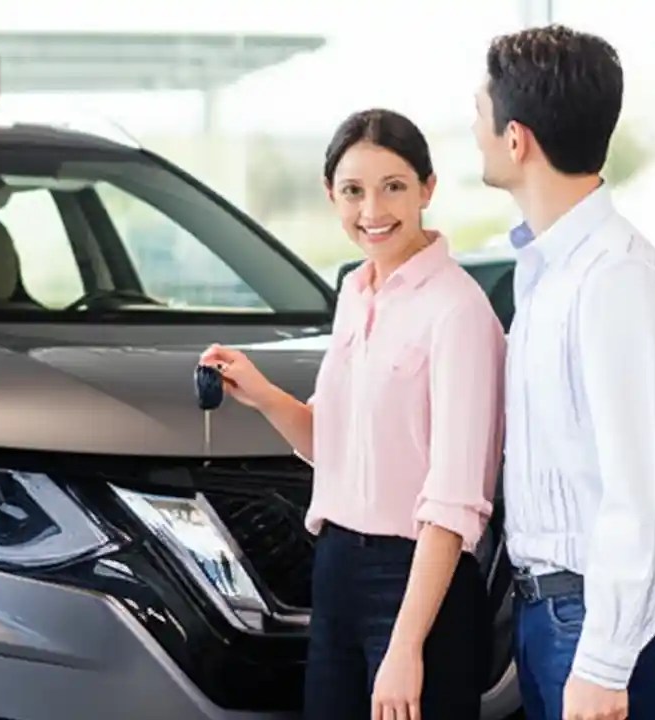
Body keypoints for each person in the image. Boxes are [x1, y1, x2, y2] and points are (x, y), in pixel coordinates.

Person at [200, 108, 506, 720]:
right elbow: (333, 446)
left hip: (418, 583)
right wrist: (261, 393)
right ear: (330, 195)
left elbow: (454, 502)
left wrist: (406, 645)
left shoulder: (458, 312)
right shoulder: (356, 293)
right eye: (353, 191)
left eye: (393, 187)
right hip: (336, 571)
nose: (373, 210)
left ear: (427, 189)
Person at [471, 24, 655, 720]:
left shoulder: (615, 276)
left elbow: (642, 492)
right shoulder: (549, 271)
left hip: (597, 625)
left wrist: (603, 663)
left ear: (516, 139)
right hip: (552, 614)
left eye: (480, 114)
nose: (474, 131)